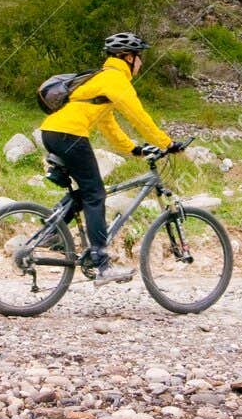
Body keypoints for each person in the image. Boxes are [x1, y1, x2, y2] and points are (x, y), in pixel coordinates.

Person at [39, 31, 179, 286]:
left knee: (86, 191)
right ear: (127, 57)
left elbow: (108, 124)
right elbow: (138, 116)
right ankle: (102, 265)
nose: (141, 63)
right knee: (96, 195)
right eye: (139, 57)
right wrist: (166, 143)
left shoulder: (103, 79)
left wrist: (133, 149)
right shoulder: (115, 79)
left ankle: (50, 233)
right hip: (69, 134)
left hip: (53, 132)